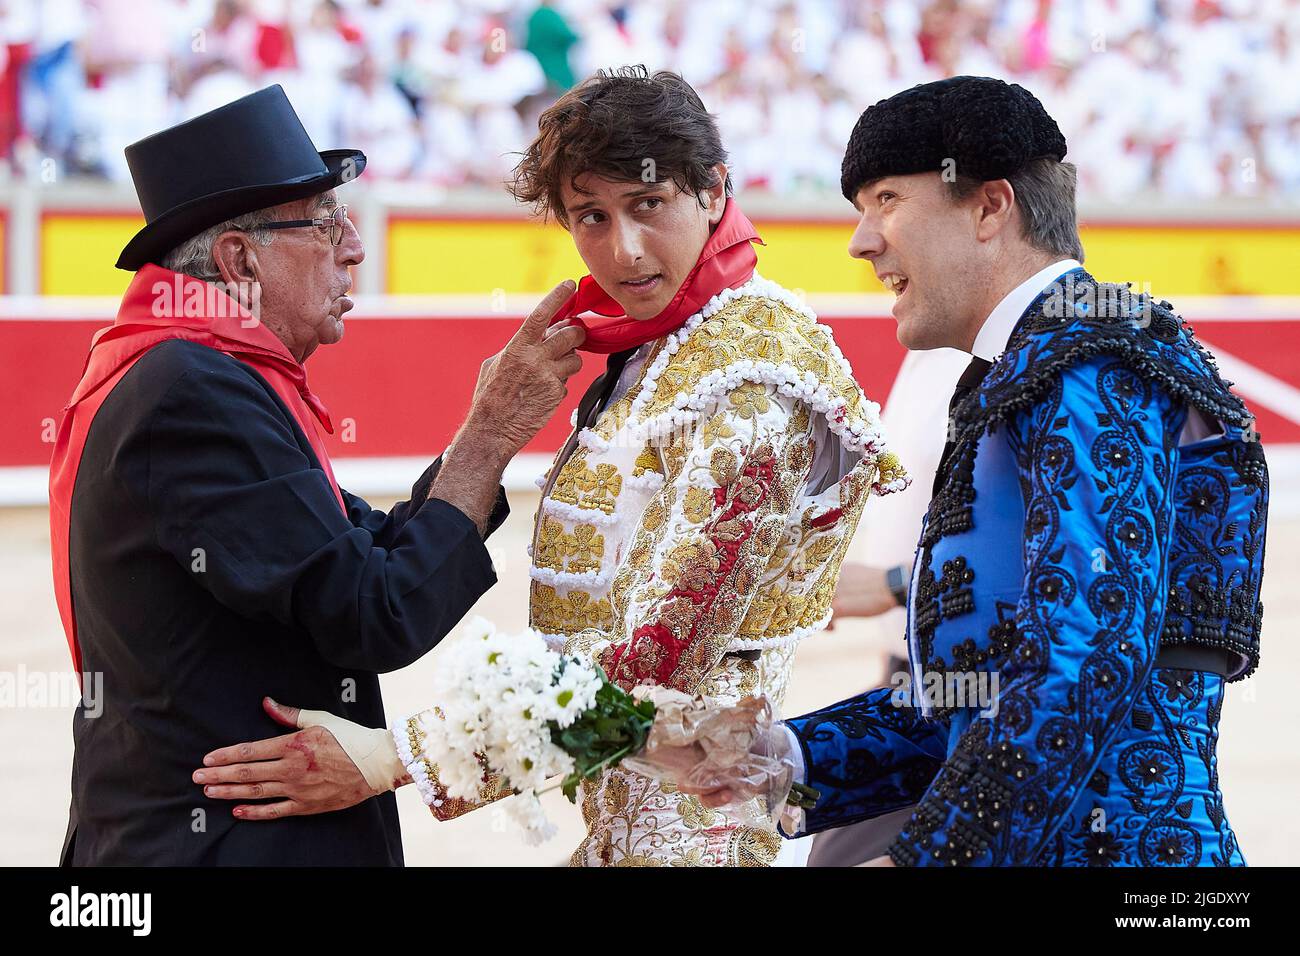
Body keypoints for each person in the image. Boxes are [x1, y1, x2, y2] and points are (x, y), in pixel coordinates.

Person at [201, 66, 907, 868]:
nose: (624, 249)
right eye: (591, 217)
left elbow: (646, 677)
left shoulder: (754, 381)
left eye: (648, 206)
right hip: (627, 833)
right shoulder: (660, 352)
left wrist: (394, 758)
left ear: (713, 192)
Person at [677, 76, 1267, 867]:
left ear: (990, 207)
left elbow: (1088, 652)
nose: (861, 241)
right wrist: (780, 753)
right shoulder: (1033, 363)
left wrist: (933, 860)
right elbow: (976, 699)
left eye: (886, 200)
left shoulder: (1086, 352)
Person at [49, 85, 585, 865]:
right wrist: (490, 435)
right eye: (325, 222)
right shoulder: (194, 391)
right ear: (238, 259)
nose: (354, 247)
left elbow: (370, 553)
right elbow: (374, 609)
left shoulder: (193, 373)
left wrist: (483, 435)